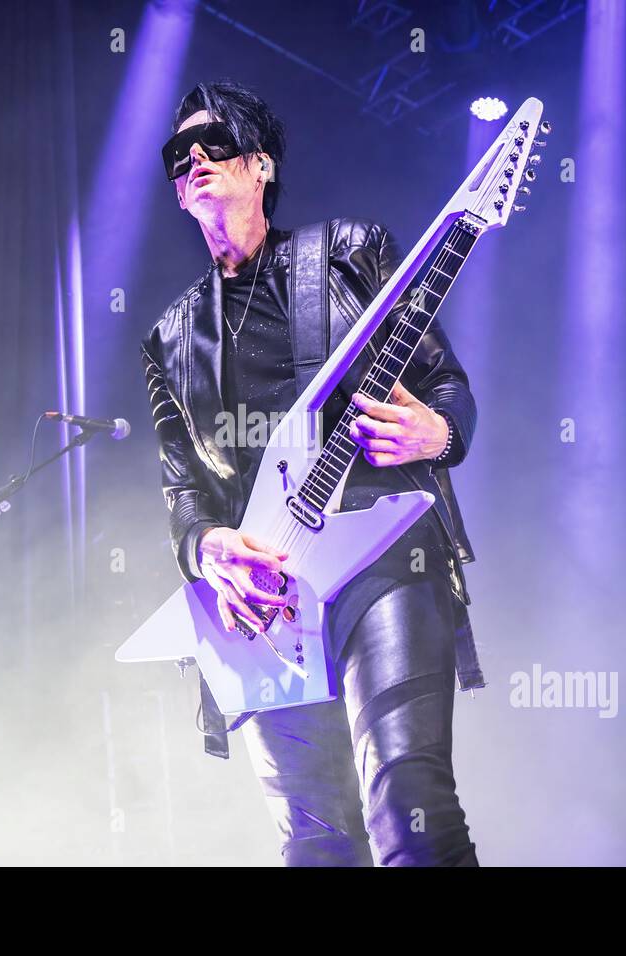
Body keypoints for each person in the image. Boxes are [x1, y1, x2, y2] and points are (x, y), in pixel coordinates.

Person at [140, 80, 482, 866]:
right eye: (178, 153)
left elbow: (446, 385)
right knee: (314, 843)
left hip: (382, 556)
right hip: (269, 595)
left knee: (407, 794)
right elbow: (183, 489)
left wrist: (437, 431)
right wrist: (209, 549)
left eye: (215, 142)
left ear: (260, 166)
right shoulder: (168, 338)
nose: (193, 158)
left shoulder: (350, 250)